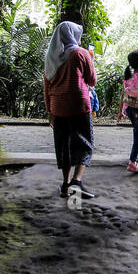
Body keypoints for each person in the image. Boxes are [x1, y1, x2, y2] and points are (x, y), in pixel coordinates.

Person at [43, 20, 97, 199]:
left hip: (58, 108)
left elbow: (47, 87)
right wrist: (91, 61)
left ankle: (65, 185)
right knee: (84, 144)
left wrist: (50, 111)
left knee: (63, 146)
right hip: (79, 107)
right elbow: (92, 80)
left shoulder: (50, 57)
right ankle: (77, 181)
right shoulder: (80, 54)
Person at [118, 49, 138, 173]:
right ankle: (132, 162)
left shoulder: (128, 76)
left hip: (130, 109)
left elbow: (122, 94)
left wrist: (120, 111)